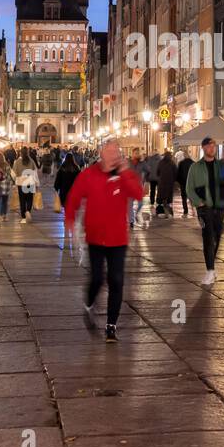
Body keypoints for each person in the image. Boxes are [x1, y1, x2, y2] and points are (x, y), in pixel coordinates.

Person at [63, 139, 144, 342]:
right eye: (109, 152)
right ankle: (89, 304)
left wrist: (125, 172)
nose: (113, 156)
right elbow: (74, 196)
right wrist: (70, 218)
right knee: (97, 278)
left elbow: (138, 193)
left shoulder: (124, 175)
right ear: (101, 154)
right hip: (96, 236)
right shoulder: (89, 174)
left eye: (116, 152)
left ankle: (111, 326)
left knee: (116, 280)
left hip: (118, 238)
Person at [186, 137, 224, 286]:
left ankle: (212, 268)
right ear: (203, 148)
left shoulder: (222, 166)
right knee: (208, 238)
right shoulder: (195, 167)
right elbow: (189, 188)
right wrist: (198, 202)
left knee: (217, 238)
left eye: (214, 146)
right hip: (204, 208)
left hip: (219, 207)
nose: (212, 148)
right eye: (209, 146)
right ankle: (210, 270)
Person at [13, 151, 39, 222]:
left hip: (21, 183)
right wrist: (37, 184)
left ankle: (23, 217)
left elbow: (13, 174)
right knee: (29, 198)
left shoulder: (17, 161)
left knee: (22, 200)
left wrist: (15, 182)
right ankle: (28, 212)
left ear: (20, 153)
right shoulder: (31, 161)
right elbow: (35, 173)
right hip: (30, 182)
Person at [154, 150, 177, 216]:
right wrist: (174, 180)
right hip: (170, 183)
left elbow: (157, 172)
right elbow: (175, 173)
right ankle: (169, 212)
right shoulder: (172, 163)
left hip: (161, 183)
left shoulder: (160, 162)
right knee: (169, 198)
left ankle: (160, 211)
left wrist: (160, 177)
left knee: (161, 197)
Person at [176, 152, 193, 217]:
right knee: (192, 197)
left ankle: (185, 211)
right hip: (191, 183)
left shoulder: (181, 163)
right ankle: (194, 210)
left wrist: (178, 181)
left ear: (184, 156)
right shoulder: (193, 163)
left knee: (184, 198)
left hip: (183, 183)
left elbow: (178, 174)